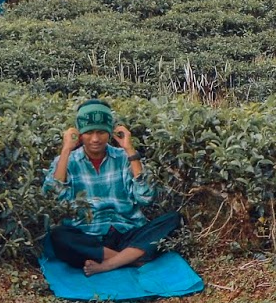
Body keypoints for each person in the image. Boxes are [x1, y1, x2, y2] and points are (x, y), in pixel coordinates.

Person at [43, 100, 180, 276]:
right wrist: (65, 150)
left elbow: (145, 197)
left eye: (101, 132)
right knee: (59, 236)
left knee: (172, 219)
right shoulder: (67, 161)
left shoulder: (124, 157)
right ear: (79, 134)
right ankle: (131, 260)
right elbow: (53, 200)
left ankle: (109, 264)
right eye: (88, 132)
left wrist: (129, 149)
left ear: (109, 133)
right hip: (90, 236)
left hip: (126, 231)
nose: (95, 139)